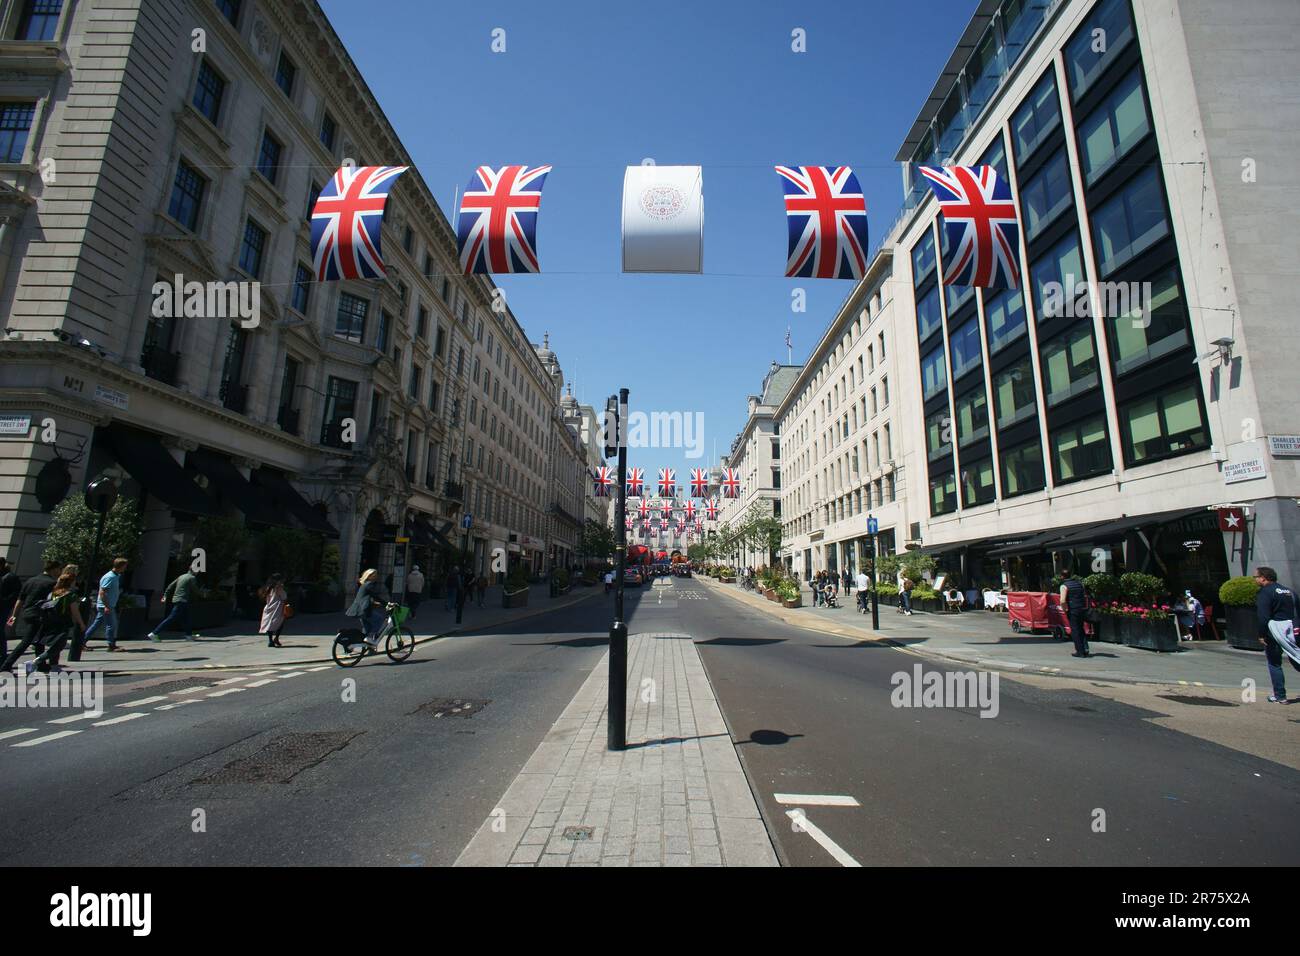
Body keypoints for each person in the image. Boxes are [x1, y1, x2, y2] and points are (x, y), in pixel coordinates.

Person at [23, 571, 86, 674]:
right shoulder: (70, 595)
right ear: (70, 582)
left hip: (49, 622)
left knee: (56, 644)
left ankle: (54, 666)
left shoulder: (52, 593)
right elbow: (75, 611)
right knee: (59, 645)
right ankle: (34, 662)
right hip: (62, 623)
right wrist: (81, 623)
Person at [3, 559, 60, 672]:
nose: (60, 571)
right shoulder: (51, 583)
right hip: (39, 615)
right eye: (59, 569)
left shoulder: (31, 580)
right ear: (54, 569)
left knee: (38, 640)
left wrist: (14, 616)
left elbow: (20, 599)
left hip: (27, 613)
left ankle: (41, 664)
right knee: (27, 641)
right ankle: (6, 665)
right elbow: (53, 602)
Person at [1254, 566, 1300, 703]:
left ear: (1263, 578)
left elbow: (1263, 616)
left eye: (1256, 577)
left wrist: (1261, 634)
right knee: (1296, 658)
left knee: (1274, 663)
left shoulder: (1265, 592)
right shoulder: (1289, 591)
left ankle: (1280, 695)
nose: (1255, 580)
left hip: (1275, 631)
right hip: (1293, 629)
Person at [76, 557, 128, 657]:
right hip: (106, 606)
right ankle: (111, 645)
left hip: (107, 605)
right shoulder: (110, 577)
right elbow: (102, 592)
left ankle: (82, 642)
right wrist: (107, 606)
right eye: (125, 566)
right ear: (120, 566)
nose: (125, 568)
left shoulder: (115, 576)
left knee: (97, 624)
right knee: (111, 625)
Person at [148, 567, 201, 642]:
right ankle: (154, 633)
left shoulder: (181, 576)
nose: (198, 572)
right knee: (171, 618)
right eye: (198, 571)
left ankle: (188, 636)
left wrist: (165, 596)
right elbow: (195, 589)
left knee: (186, 619)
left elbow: (170, 586)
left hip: (178, 600)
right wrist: (203, 594)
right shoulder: (192, 578)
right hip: (182, 600)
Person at [347, 569, 391, 648]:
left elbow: (365, 597)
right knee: (380, 619)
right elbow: (375, 596)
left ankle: (368, 648)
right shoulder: (369, 584)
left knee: (367, 629)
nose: (376, 577)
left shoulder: (364, 584)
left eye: (376, 575)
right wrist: (386, 604)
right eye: (373, 575)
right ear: (368, 576)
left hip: (359, 610)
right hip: (364, 610)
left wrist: (376, 603)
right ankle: (370, 638)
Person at [1059, 570, 1089, 658]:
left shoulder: (1064, 586)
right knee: (1081, 628)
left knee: (1075, 630)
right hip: (1081, 608)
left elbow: (1062, 600)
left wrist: (1065, 610)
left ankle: (1080, 651)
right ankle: (1085, 648)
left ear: (1062, 576)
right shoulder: (1079, 584)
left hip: (1073, 609)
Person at [259, 574, 288, 648]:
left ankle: (270, 640)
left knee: (269, 624)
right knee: (280, 623)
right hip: (277, 608)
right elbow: (284, 596)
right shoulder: (279, 587)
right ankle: (276, 638)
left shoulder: (268, 587)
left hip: (268, 607)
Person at [0, 557, 20, 663]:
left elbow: (15, 595)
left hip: (4, 608)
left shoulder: (10, 577)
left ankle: (3, 657)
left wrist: (4, 601)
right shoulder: (4, 576)